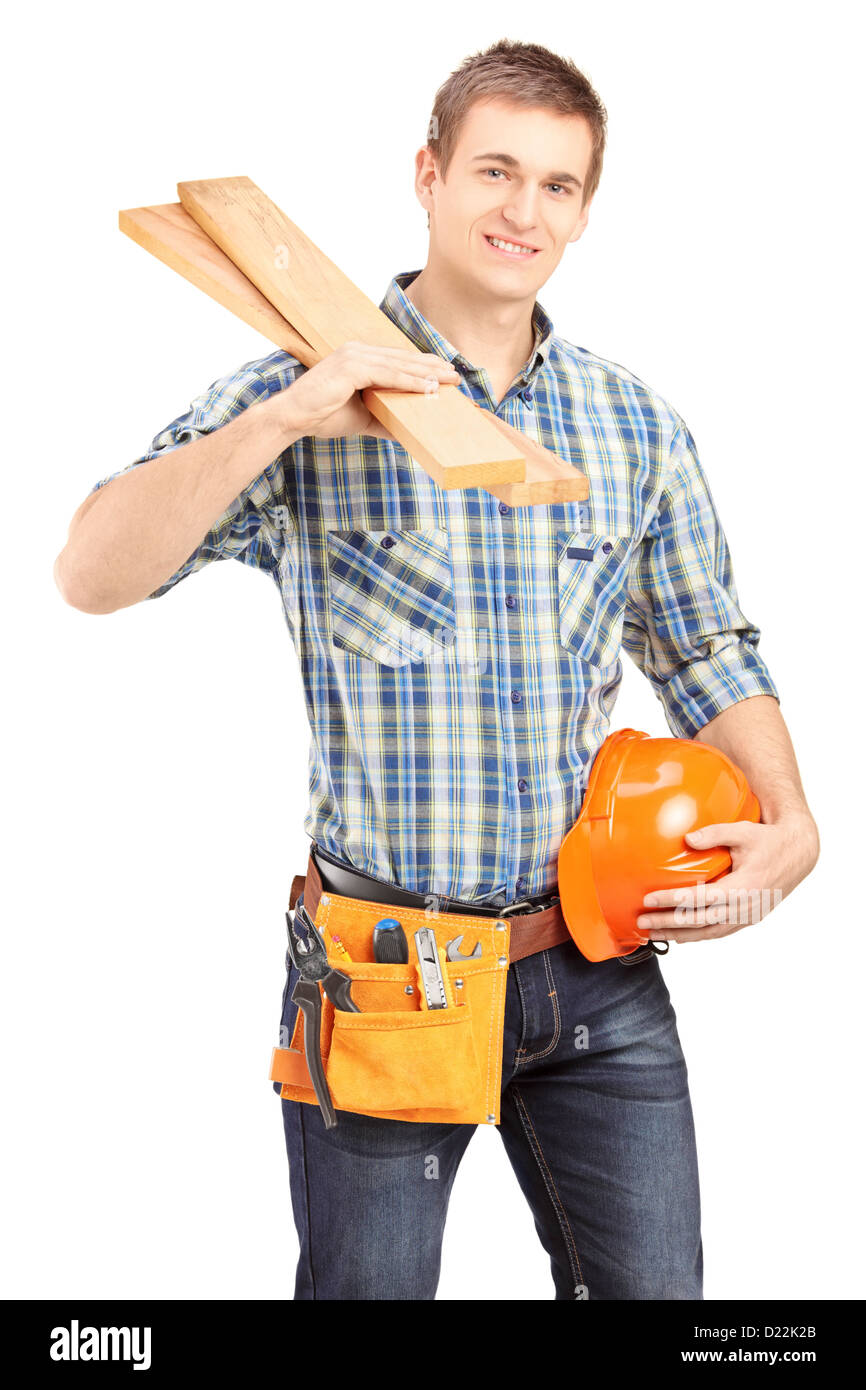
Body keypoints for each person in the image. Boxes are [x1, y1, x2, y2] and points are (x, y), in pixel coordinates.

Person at [54, 38, 819, 1300]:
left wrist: (790, 821)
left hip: (598, 970)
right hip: (386, 970)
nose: (523, 211)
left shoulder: (633, 425)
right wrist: (283, 418)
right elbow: (91, 572)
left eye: (557, 186)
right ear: (428, 174)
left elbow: (701, 643)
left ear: (583, 209)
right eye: (495, 171)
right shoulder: (295, 392)